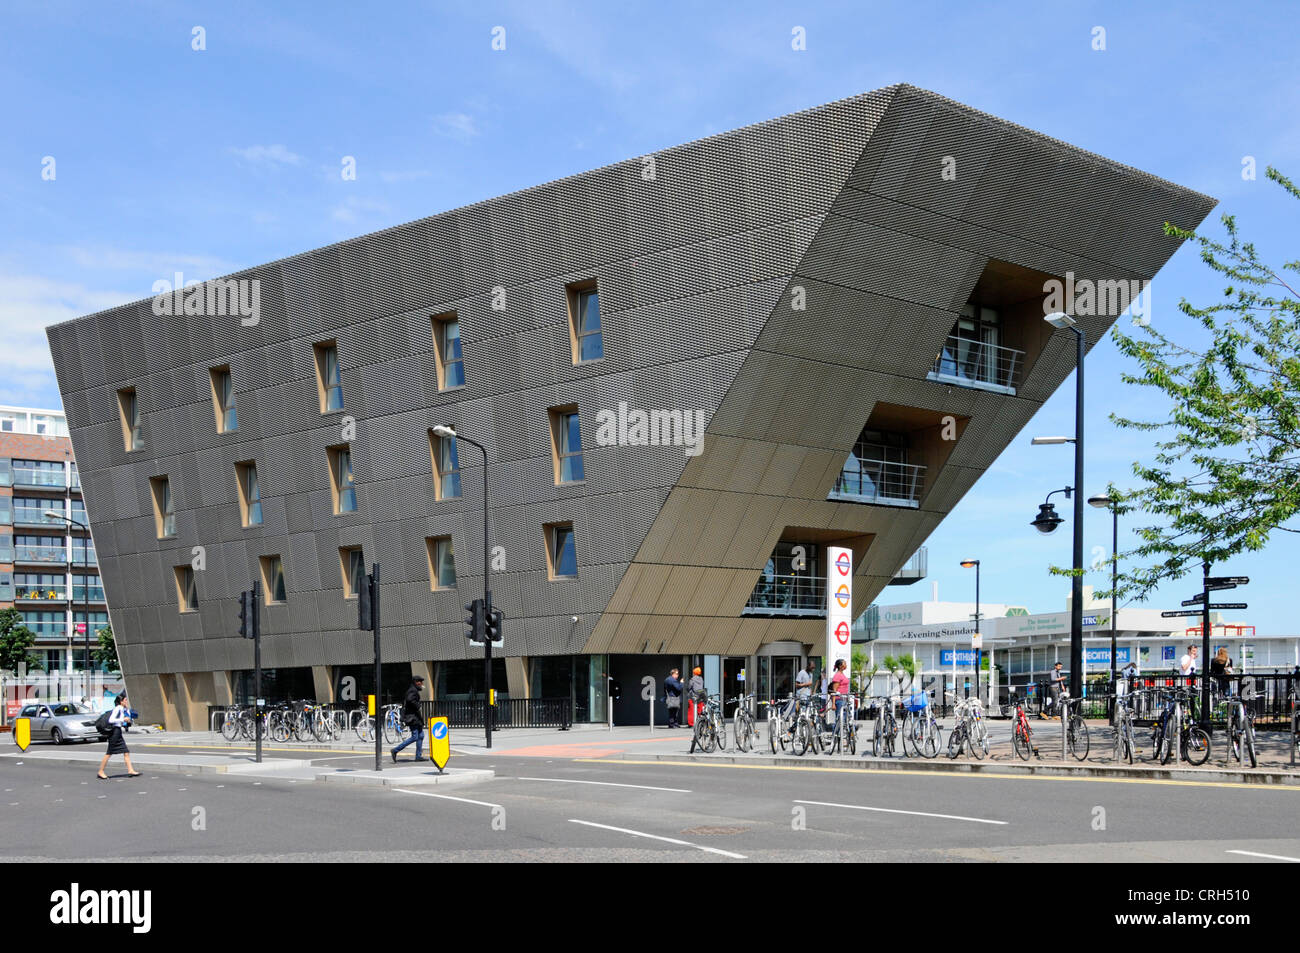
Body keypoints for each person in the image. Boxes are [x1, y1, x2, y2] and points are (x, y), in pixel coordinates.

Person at [97, 693, 140, 780]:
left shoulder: (122, 709)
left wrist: (127, 719)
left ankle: (130, 770)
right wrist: (123, 719)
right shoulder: (118, 709)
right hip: (114, 732)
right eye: (125, 700)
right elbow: (111, 720)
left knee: (126, 752)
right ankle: (101, 771)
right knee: (109, 753)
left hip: (118, 731)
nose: (126, 701)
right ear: (121, 701)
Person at [391, 675, 426, 762]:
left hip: (416, 717)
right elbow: (410, 700)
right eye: (420, 681)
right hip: (412, 717)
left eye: (421, 681)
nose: (421, 683)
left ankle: (418, 756)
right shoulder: (412, 690)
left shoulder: (413, 690)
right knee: (415, 737)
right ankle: (395, 750)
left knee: (421, 736)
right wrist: (417, 705)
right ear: (415, 682)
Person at [829, 658, 851, 729]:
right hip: (839, 699)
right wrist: (833, 704)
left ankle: (841, 735)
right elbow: (834, 690)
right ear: (840, 666)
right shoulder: (837, 675)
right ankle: (835, 735)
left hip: (844, 699)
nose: (846, 665)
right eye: (845, 663)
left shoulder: (842, 674)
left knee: (844, 719)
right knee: (840, 719)